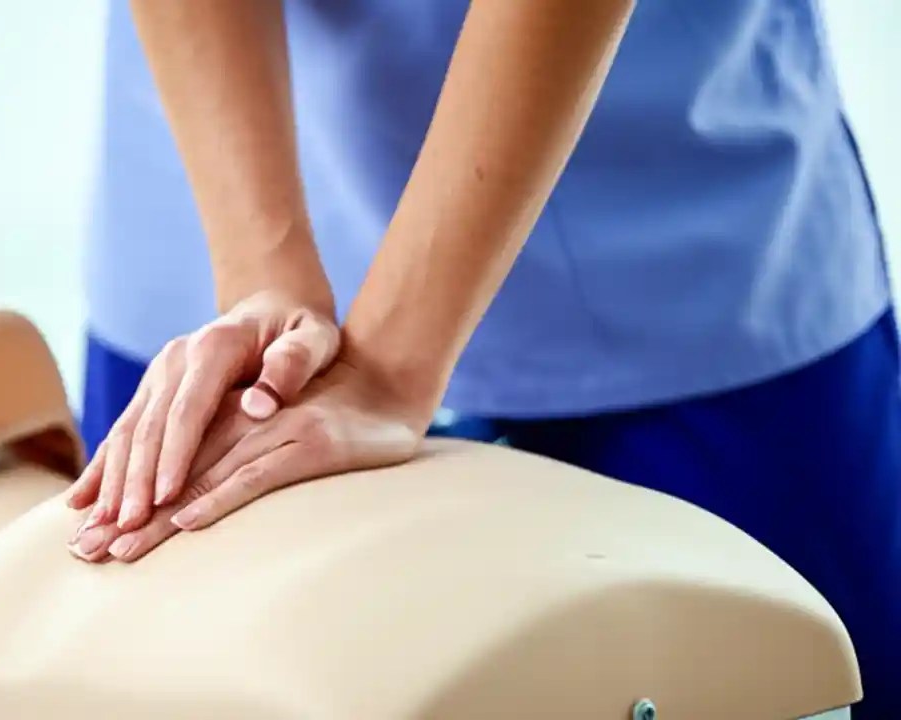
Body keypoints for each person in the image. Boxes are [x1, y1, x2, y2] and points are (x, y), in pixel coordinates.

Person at [72, 1, 899, 715]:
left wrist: (391, 363)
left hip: (673, 233)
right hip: (217, 179)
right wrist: (260, 290)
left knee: (795, 672)